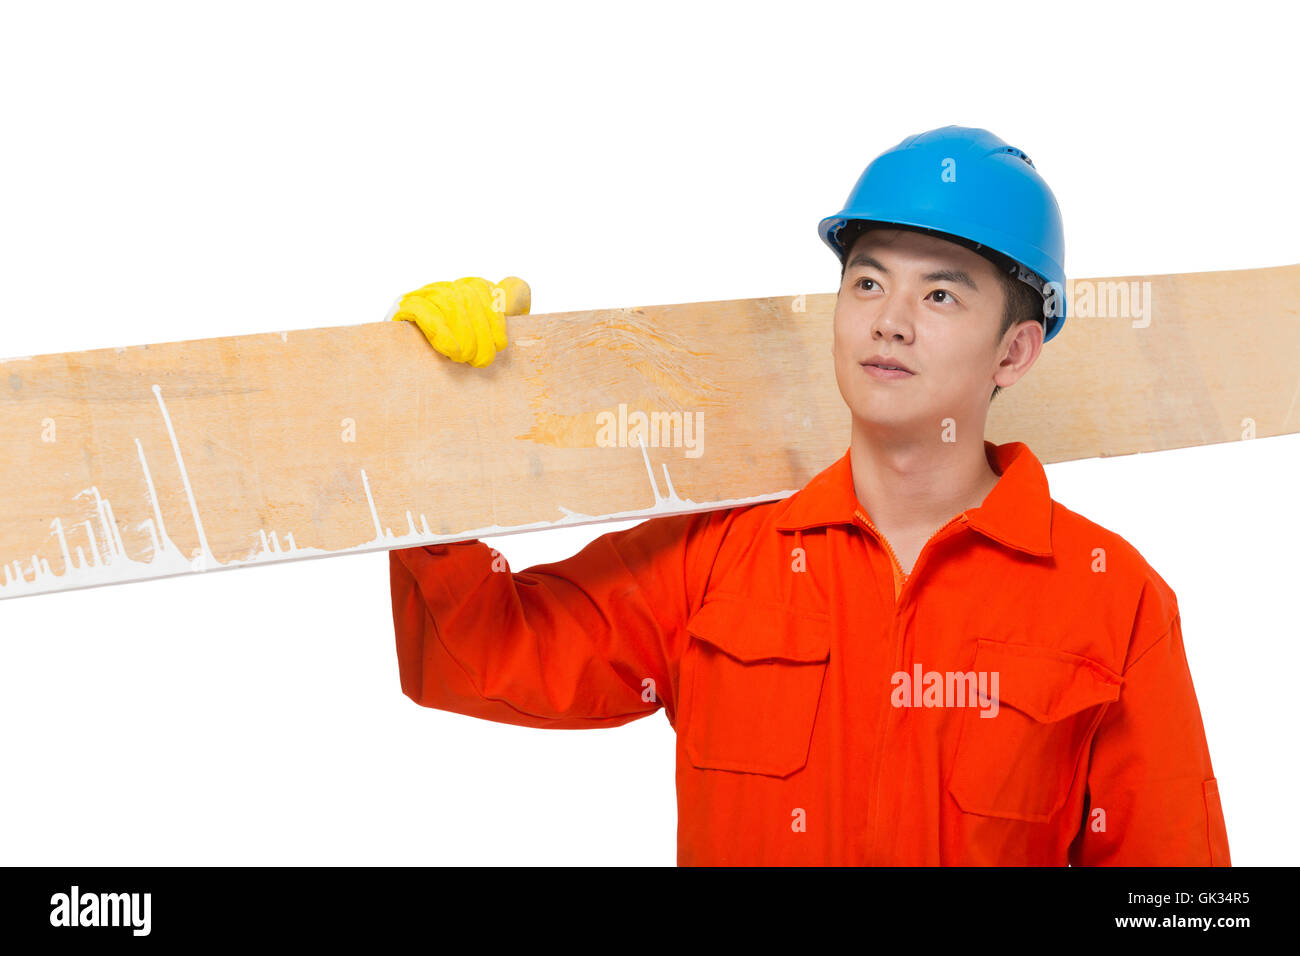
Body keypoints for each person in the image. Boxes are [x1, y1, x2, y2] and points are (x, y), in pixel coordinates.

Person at [387, 126, 1231, 866]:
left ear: (1013, 354)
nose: (889, 320)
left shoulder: (1112, 602)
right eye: (868, 283)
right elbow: (475, 656)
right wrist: (436, 421)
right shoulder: (717, 558)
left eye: (940, 294)